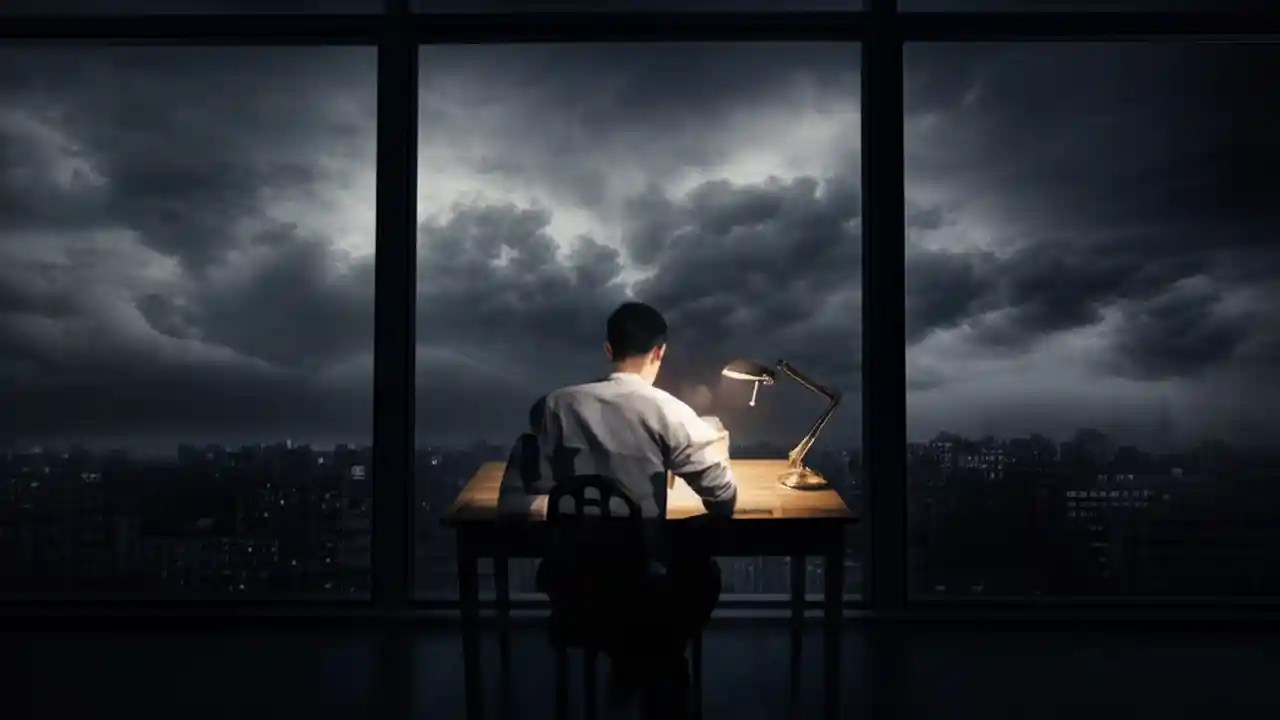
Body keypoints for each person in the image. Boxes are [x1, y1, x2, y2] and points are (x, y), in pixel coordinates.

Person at [528, 301, 738, 716]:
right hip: (642, 579)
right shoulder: (669, 410)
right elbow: (723, 496)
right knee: (703, 573)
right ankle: (653, 660)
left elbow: (540, 484)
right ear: (660, 352)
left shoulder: (557, 404)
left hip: (573, 576)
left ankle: (632, 660)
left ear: (609, 350)